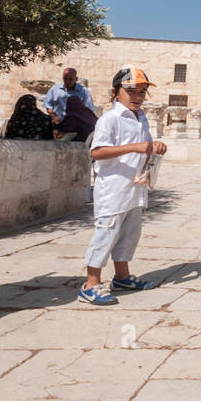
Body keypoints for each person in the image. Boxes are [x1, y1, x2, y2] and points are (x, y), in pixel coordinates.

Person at [80, 68, 167, 305]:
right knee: (106, 233)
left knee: (129, 234)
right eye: (130, 91)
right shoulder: (110, 119)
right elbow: (97, 152)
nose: (136, 96)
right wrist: (134, 148)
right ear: (115, 92)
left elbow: (145, 145)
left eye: (141, 92)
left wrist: (156, 146)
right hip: (114, 187)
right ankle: (91, 284)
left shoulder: (141, 118)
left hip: (135, 187)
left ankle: (122, 277)